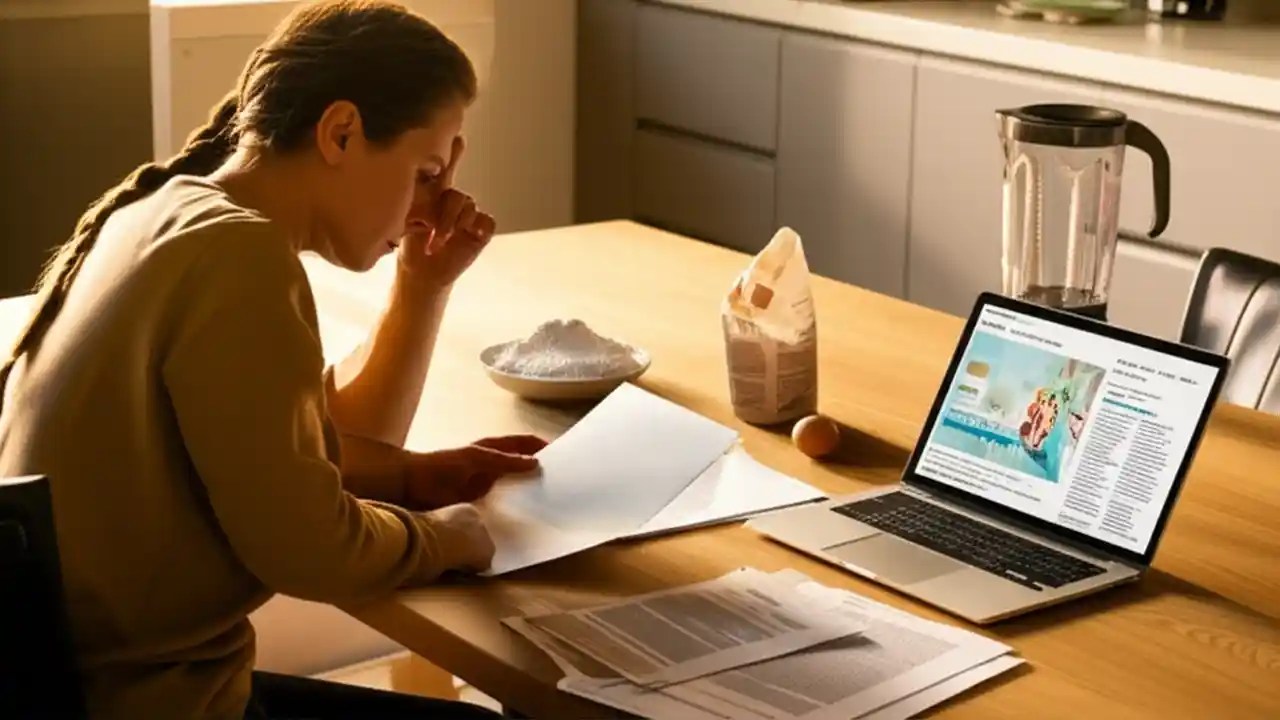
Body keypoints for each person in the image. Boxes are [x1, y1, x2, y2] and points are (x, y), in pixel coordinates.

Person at [0, 1, 545, 718]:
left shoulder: (166, 213)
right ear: (341, 131)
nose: (431, 207)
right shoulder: (240, 257)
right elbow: (310, 549)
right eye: (425, 172)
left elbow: (283, 450)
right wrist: (444, 538)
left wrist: (409, 463)